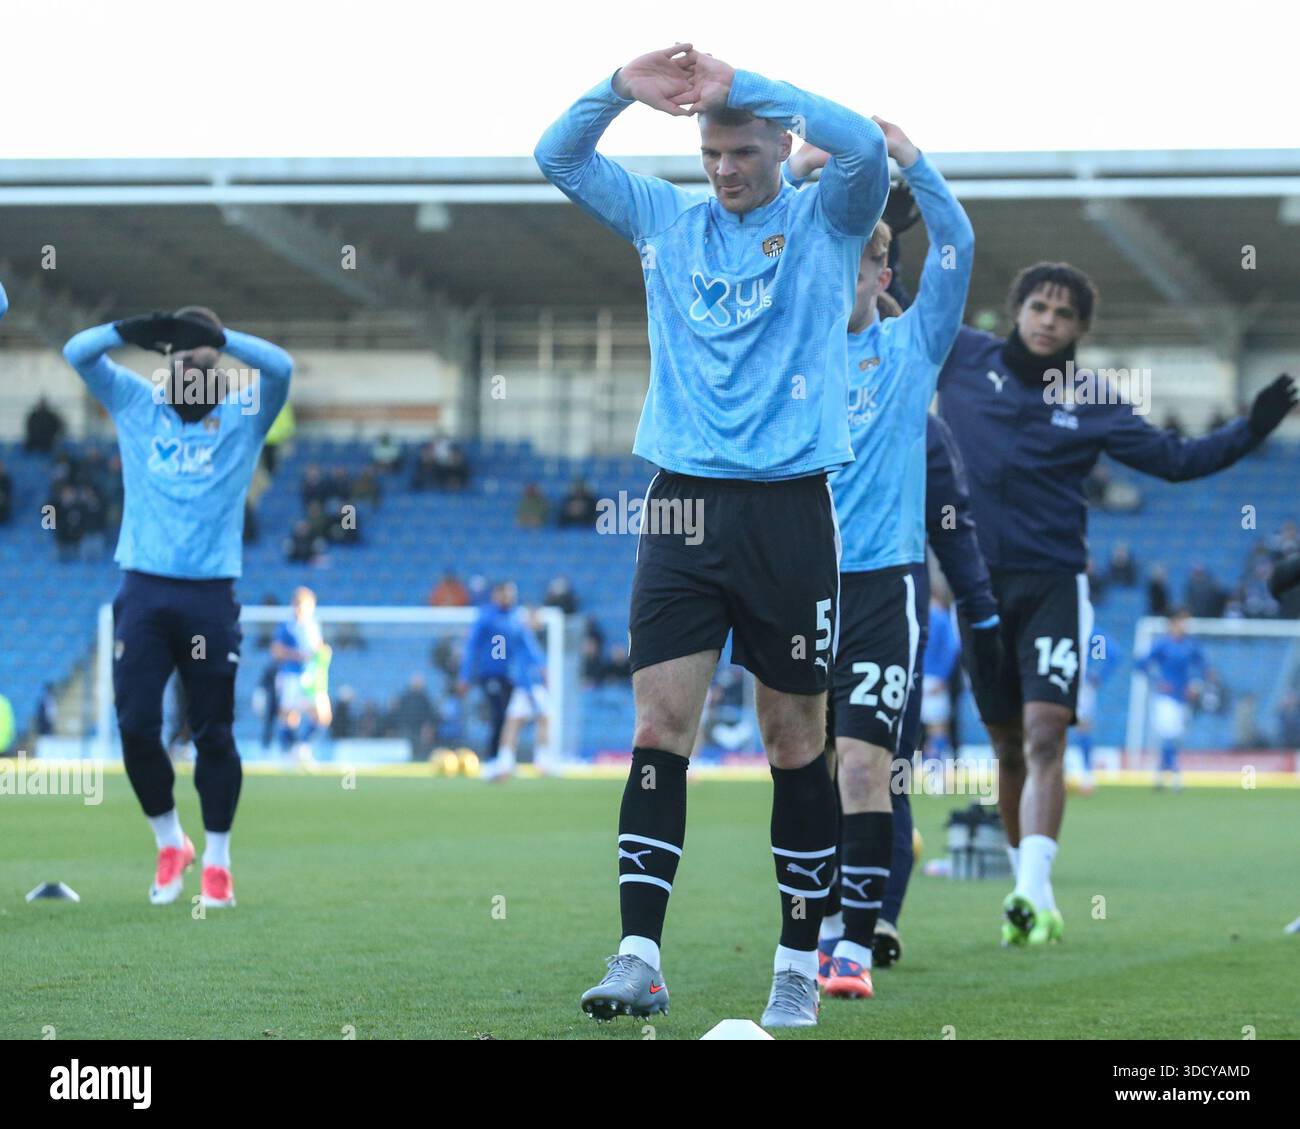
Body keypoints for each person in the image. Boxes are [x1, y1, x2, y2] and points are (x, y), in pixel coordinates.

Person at [537, 43, 888, 1026]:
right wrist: (616, 89)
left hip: (787, 507)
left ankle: (793, 960)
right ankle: (638, 954)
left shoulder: (826, 220)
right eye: (711, 150)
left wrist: (741, 87)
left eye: (742, 150)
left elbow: (862, 147)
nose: (726, 168)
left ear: (781, 144)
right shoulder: (663, 218)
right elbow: (557, 158)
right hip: (682, 502)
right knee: (658, 727)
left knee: (794, 739)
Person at [937, 262, 1296, 947]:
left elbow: (1174, 459)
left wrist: (1252, 428)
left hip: (1054, 583)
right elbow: (872, 303)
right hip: (975, 582)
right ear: (1016, 310)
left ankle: (1026, 892)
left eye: (1063, 313)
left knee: (1045, 733)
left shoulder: (1092, 398)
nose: (1048, 320)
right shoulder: (958, 354)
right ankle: (1032, 892)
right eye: (1038, 305)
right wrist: (875, 221)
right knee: (1006, 745)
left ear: (1080, 328)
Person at [780, 116, 975, 1001]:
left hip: (883, 582)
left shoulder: (912, 348)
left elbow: (959, 241)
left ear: (881, 272)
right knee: (806, 765)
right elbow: (763, 233)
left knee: (864, 762)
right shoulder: (793, 345)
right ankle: (813, 927)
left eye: (853, 260)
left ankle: (853, 945)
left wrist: (910, 159)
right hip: (794, 579)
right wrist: (795, 169)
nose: (834, 274)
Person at [63, 306, 292, 909]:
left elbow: (282, 367)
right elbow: (78, 352)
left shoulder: (244, 416)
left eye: (208, 360)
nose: (197, 368)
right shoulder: (139, 404)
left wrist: (222, 337)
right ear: (167, 359)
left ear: (222, 363)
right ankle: (170, 842)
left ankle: (218, 860)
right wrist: (132, 328)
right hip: (143, 590)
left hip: (211, 594)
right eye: (186, 357)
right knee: (137, 728)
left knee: (214, 733)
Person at [457, 582, 538, 779]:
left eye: (513, 594)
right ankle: (492, 761)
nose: (510, 597)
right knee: (498, 715)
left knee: (509, 718)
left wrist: (540, 664)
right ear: (496, 594)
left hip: (509, 677)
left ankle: (504, 761)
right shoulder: (486, 617)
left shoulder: (515, 618)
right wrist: (465, 676)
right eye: (507, 593)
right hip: (490, 675)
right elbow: (472, 647)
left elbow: (526, 644)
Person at [1137, 608, 1205, 791]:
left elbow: (1203, 667)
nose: (1186, 625)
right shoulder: (1162, 645)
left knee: (1174, 738)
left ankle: (1160, 775)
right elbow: (1140, 664)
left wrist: (1195, 685)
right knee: (1169, 735)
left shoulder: (1191, 645)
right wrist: (1157, 681)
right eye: (1183, 621)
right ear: (1173, 623)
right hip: (1165, 697)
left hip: (1183, 697)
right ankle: (1175, 775)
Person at [270, 587, 333, 764]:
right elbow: (276, 650)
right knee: (289, 716)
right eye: (298, 605)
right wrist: (299, 655)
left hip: (312, 678)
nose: (301, 609)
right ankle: (288, 752)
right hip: (292, 676)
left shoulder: (313, 625)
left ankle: (302, 748)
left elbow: (317, 649)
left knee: (323, 715)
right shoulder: (286, 625)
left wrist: (323, 652)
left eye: (305, 606)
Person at [496, 608, 552, 777]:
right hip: (529, 686)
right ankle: (539, 761)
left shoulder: (525, 637)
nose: (540, 622)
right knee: (537, 720)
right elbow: (531, 664)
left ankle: (507, 761)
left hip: (528, 686)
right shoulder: (523, 634)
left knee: (517, 722)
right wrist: (530, 687)